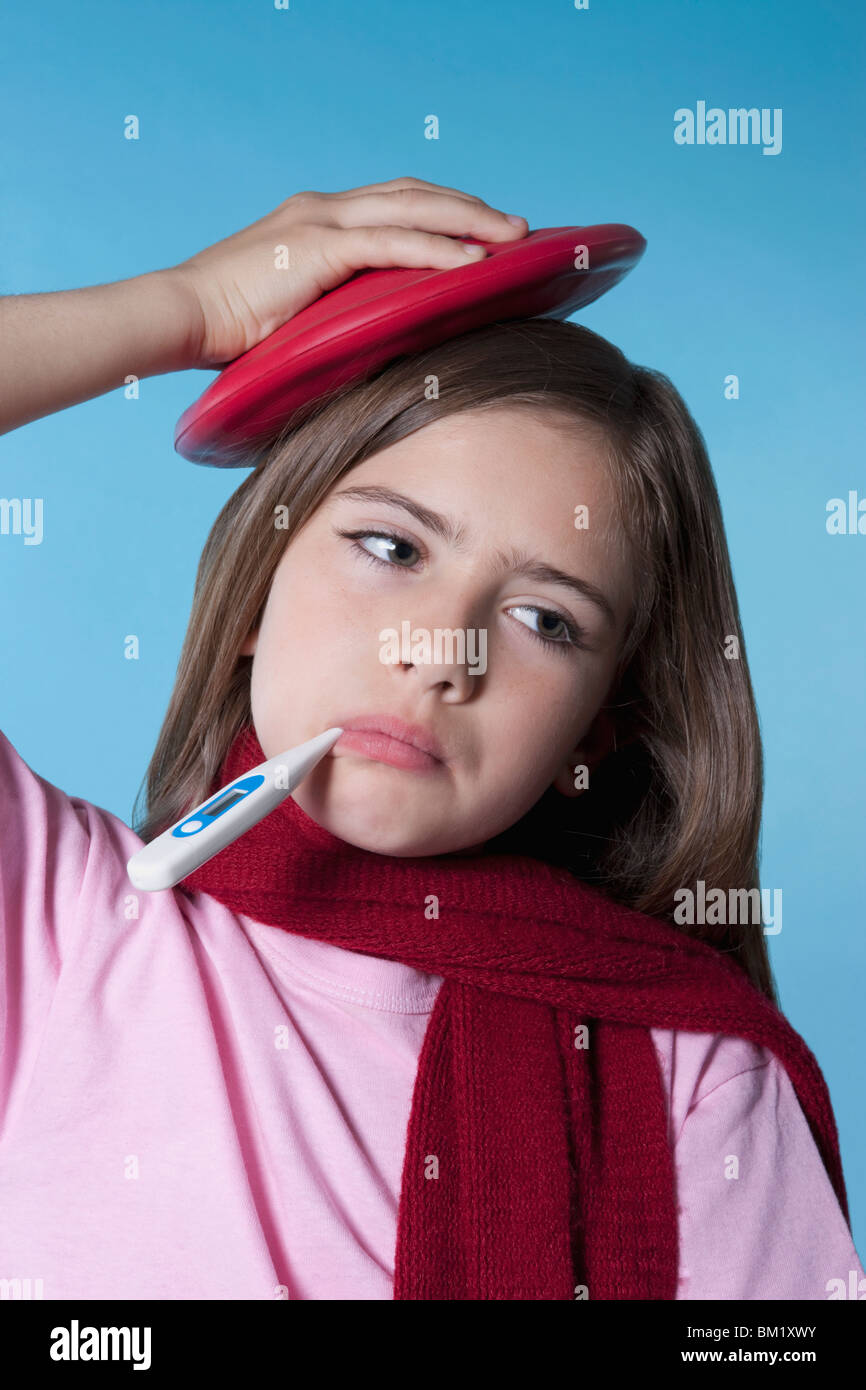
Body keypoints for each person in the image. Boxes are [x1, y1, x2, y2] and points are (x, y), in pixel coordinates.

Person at [0, 177, 862, 1301]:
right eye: (393, 548)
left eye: (544, 620)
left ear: (593, 726)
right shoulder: (62, 925)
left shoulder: (696, 1073)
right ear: (254, 594)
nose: (438, 649)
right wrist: (185, 306)